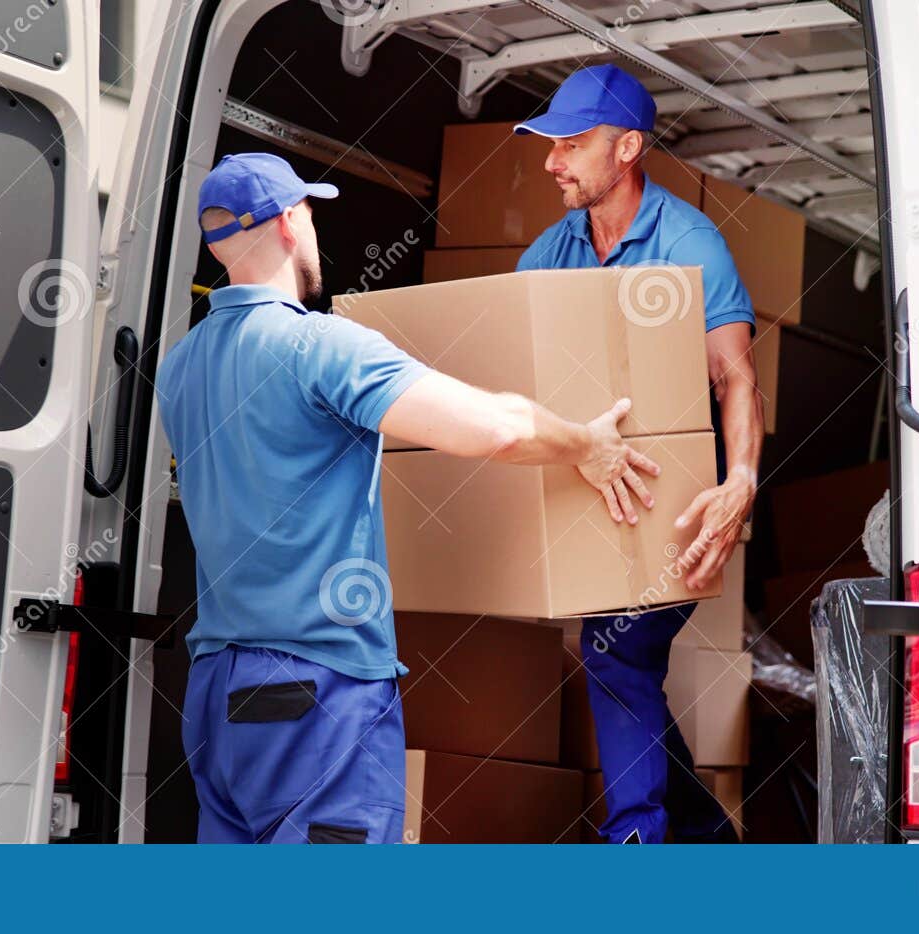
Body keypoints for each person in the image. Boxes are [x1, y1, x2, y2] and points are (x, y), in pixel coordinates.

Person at [155, 152, 660, 844]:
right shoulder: (319, 346)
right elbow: (498, 430)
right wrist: (586, 446)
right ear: (285, 225)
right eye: (307, 211)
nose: (312, 227)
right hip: (316, 690)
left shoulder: (181, 365)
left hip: (216, 692)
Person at [515, 64, 762, 843]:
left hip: (675, 502)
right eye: (550, 144)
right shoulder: (550, 253)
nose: (553, 160)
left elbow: (735, 374)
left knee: (614, 650)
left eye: (572, 143)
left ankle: (636, 847)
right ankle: (711, 845)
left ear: (627, 147)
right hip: (589, 497)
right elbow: (507, 362)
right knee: (619, 665)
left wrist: (743, 478)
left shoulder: (689, 242)